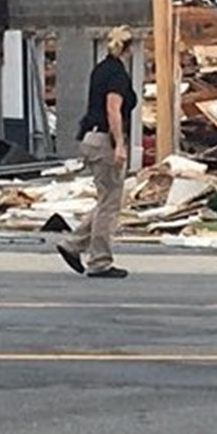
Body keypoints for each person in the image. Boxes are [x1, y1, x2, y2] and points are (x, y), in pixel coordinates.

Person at [56, 25, 135, 279]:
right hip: (104, 140)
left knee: (106, 199)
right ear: (129, 49)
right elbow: (113, 109)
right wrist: (119, 144)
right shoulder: (118, 74)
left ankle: (73, 244)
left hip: (89, 136)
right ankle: (100, 261)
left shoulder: (100, 69)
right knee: (109, 205)